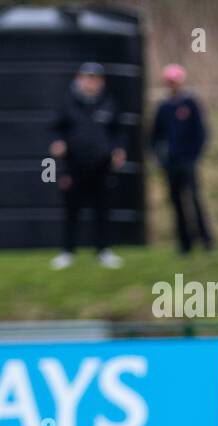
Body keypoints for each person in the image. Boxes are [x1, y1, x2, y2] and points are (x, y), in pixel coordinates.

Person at [49, 62, 126, 270]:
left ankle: (103, 251)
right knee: (71, 211)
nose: (90, 82)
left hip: (102, 167)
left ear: (101, 82)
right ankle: (67, 252)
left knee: (102, 210)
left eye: (95, 78)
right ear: (79, 79)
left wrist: (118, 149)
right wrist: (57, 143)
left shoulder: (109, 103)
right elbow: (55, 129)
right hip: (73, 166)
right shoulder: (68, 103)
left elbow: (117, 132)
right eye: (87, 77)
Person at [150, 63, 214, 254]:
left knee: (194, 200)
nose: (172, 85)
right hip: (171, 164)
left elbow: (201, 133)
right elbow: (153, 137)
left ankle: (206, 240)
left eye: (175, 81)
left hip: (188, 162)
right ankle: (184, 244)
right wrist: (160, 159)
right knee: (176, 203)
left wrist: (194, 156)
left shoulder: (190, 104)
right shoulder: (163, 108)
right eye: (169, 82)